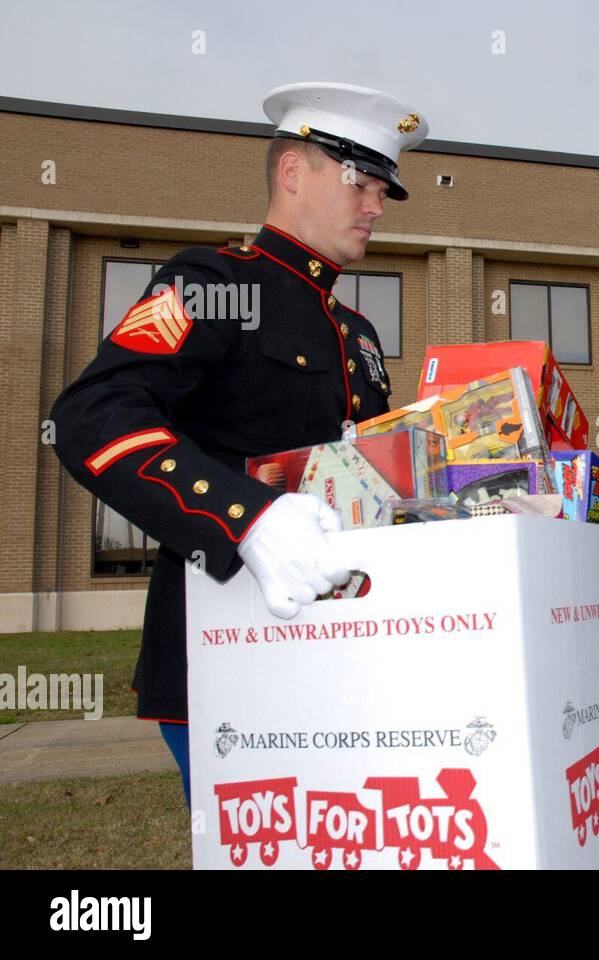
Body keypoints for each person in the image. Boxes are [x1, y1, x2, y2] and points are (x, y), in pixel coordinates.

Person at [49, 82, 428, 807]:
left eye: (383, 189)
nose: (376, 206)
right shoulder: (214, 282)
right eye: (362, 183)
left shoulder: (358, 335)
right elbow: (92, 413)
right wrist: (243, 517)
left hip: (345, 652)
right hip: (230, 650)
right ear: (293, 173)